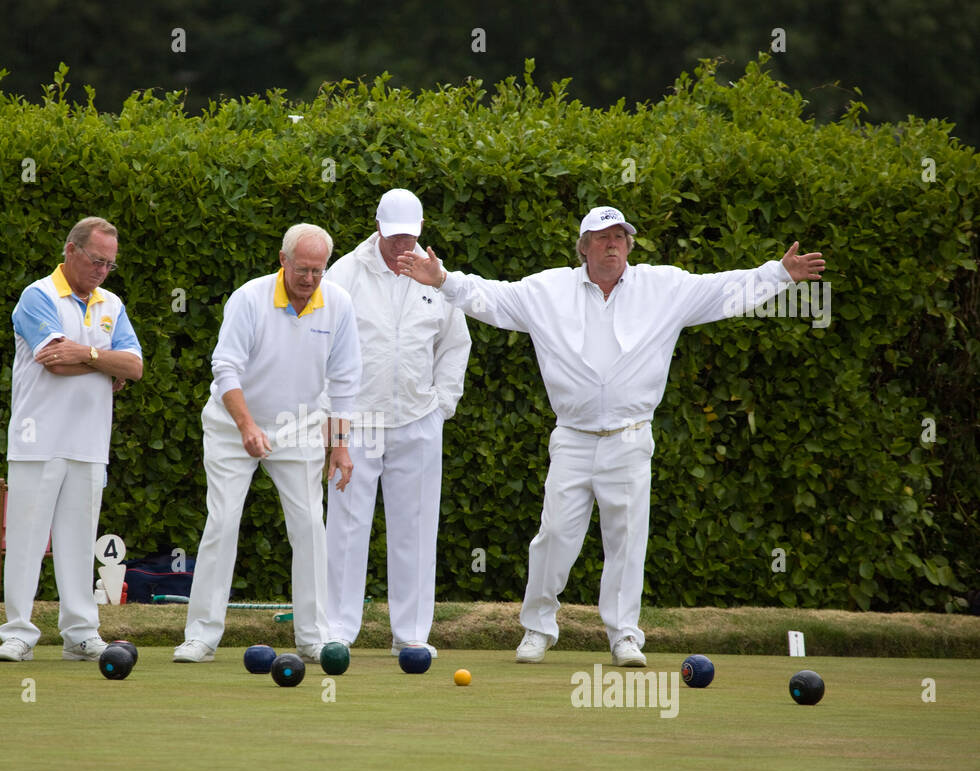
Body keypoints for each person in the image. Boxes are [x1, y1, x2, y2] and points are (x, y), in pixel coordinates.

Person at [400, 206, 825, 666]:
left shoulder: (664, 287)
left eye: (620, 236)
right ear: (583, 247)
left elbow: (723, 289)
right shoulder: (547, 290)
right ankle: (537, 628)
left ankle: (625, 635)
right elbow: (492, 297)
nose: (612, 244)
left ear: (629, 244)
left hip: (630, 436)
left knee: (626, 540)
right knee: (555, 537)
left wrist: (778, 274)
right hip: (573, 437)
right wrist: (443, 280)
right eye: (602, 237)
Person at [175, 224, 361, 663]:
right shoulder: (250, 298)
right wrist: (246, 427)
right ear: (283, 260)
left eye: (318, 270)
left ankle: (313, 637)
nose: (310, 279)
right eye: (302, 268)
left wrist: (339, 446)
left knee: (311, 527)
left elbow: (345, 381)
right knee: (222, 522)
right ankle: (201, 636)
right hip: (231, 425)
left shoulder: (338, 304)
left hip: (299, 427)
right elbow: (225, 369)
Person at [323, 189, 471, 657]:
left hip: (418, 420)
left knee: (416, 528)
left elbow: (454, 345)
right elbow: (323, 350)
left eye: (410, 236)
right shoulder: (344, 274)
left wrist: (442, 403)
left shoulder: (435, 277)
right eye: (394, 237)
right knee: (345, 527)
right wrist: (334, 424)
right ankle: (337, 633)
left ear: (421, 229)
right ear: (377, 228)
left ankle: (410, 635)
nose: (402, 247)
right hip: (357, 422)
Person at [0, 216, 143, 662]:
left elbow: (135, 366)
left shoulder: (111, 304)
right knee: (26, 541)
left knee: (80, 542)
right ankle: (17, 633)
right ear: (71, 251)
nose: (102, 271)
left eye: (110, 264)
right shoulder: (37, 296)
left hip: (89, 443)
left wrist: (92, 355)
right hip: (37, 440)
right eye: (97, 260)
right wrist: (105, 365)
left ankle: (80, 633)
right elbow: (54, 360)